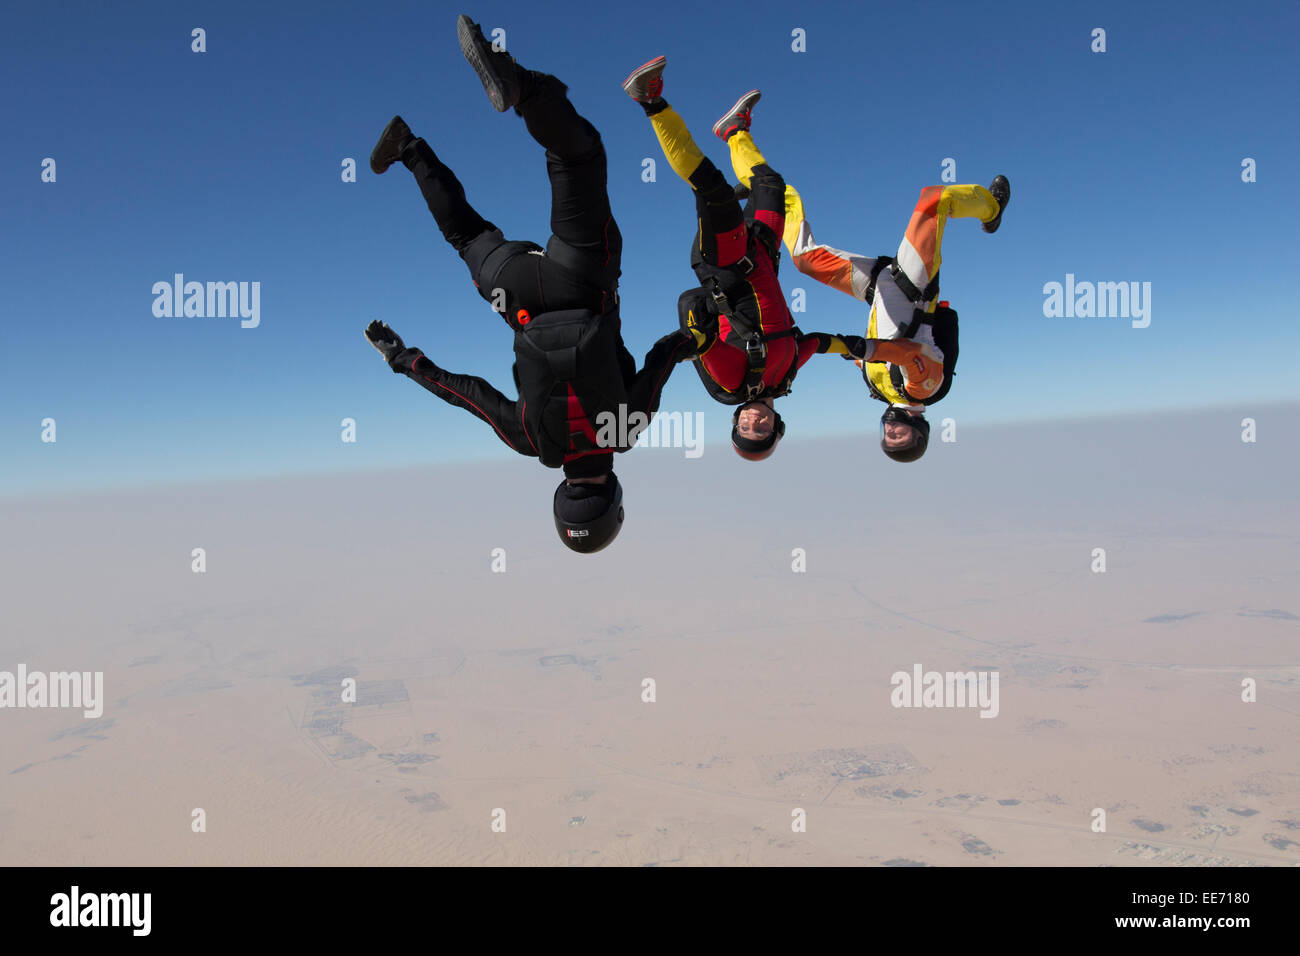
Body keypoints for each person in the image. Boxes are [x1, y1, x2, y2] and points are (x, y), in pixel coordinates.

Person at [365, 16, 694, 552]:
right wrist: (403, 360)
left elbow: (665, 355)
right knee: (462, 232)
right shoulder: (530, 442)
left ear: (614, 499)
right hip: (512, 295)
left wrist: (698, 335)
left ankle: (523, 88)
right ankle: (406, 147)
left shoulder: (626, 430)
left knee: (578, 157)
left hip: (585, 279)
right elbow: (464, 392)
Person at [713, 89, 1010, 463]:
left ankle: (744, 149)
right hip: (911, 286)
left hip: (877, 289)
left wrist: (845, 353)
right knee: (933, 202)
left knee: (804, 257)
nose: (890, 431)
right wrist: (858, 349)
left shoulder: (883, 392)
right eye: (900, 436)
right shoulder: (925, 390)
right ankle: (992, 207)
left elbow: (878, 352)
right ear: (918, 429)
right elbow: (908, 352)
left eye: (888, 439)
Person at [622, 57, 867, 462]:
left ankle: (651, 102)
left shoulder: (733, 383)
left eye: (745, 429)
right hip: (764, 258)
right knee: (771, 186)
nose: (754, 424)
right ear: (776, 425)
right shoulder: (785, 376)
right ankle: (733, 131)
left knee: (713, 190)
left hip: (729, 266)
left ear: (736, 421)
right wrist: (857, 349)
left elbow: (700, 343)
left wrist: (662, 362)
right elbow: (816, 343)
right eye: (763, 431)